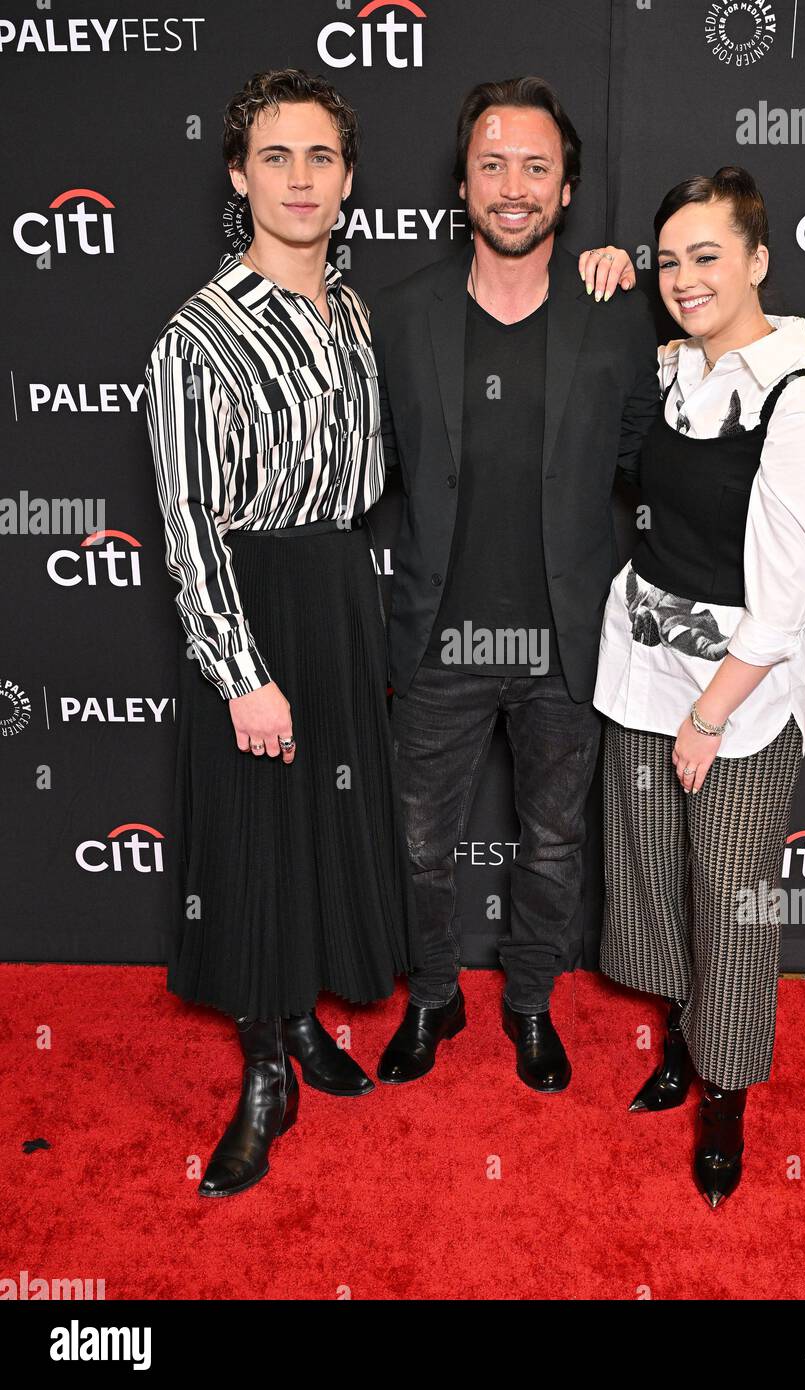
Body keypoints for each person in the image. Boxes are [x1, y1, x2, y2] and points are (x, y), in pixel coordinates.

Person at [143, 68, 418, 1197]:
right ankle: (264, 1071)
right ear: (238, 174)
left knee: (327, 821)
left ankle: (303, 1021)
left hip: (341, 585)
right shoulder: (195, 339)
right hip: (253, 602)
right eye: (275, 157)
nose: (298, 179)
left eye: (319, 159)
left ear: (348, 180)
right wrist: (240, 673)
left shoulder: (353, 309)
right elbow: (189, 523)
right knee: (257, 835)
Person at [370, 76, 659, 1092]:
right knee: (417, 844)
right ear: (462, 184)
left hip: (565, 642)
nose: (512, 186)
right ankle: (435, 995)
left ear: (566, 189)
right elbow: (378, 461)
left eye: (536, 167)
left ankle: (530, 1003)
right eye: (492, 164)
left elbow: (636, 450)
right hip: (439, 641)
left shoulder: (614, 313)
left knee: (552, 844)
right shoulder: (399, 314)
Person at [593, 166, 805, 1206]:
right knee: (655, 876)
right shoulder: (674, 372)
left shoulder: (802, 404)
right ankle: (677, 1041)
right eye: (668, 260)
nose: (684, 277)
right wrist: (604, 282)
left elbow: (787, 600)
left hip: (736, 702)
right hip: (643, 667)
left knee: (733, 900)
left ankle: (724, 1098)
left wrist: (710, 716)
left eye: (707, 256)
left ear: (756, 259)